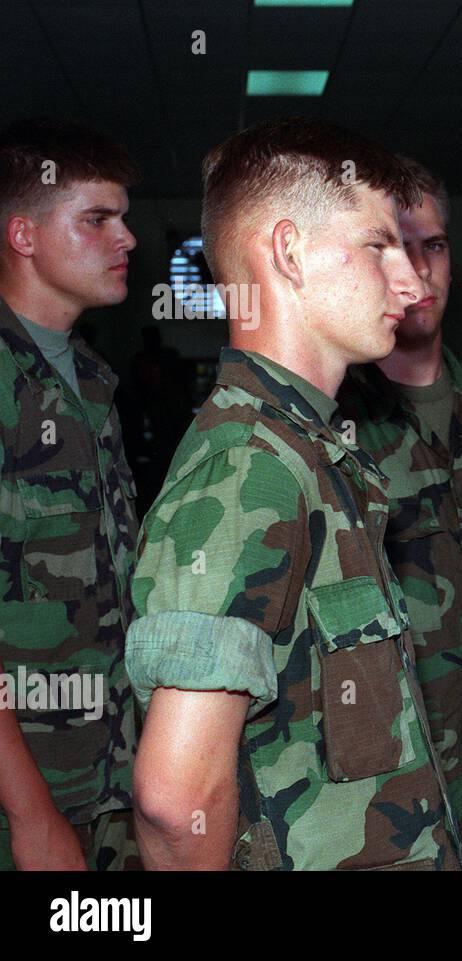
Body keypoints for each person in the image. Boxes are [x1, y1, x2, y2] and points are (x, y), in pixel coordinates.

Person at [125, 119, 461, 870]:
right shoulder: (252, 467)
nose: (411, 282)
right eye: (379, 246)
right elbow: (176, 805)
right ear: (288, 252)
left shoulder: (312, 450)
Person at [338, 157, 462, 870]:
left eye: (435, 245)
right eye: (394, 246)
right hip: (392, 810)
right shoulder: (336, 418)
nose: (419, 270)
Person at [0, 118, 141, 870]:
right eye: (97, 219)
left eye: (124, 217)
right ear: (24, 235)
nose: (127, 238)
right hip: (27, 794)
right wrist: (30, 813)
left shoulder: (88, 378)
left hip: (107, 776)